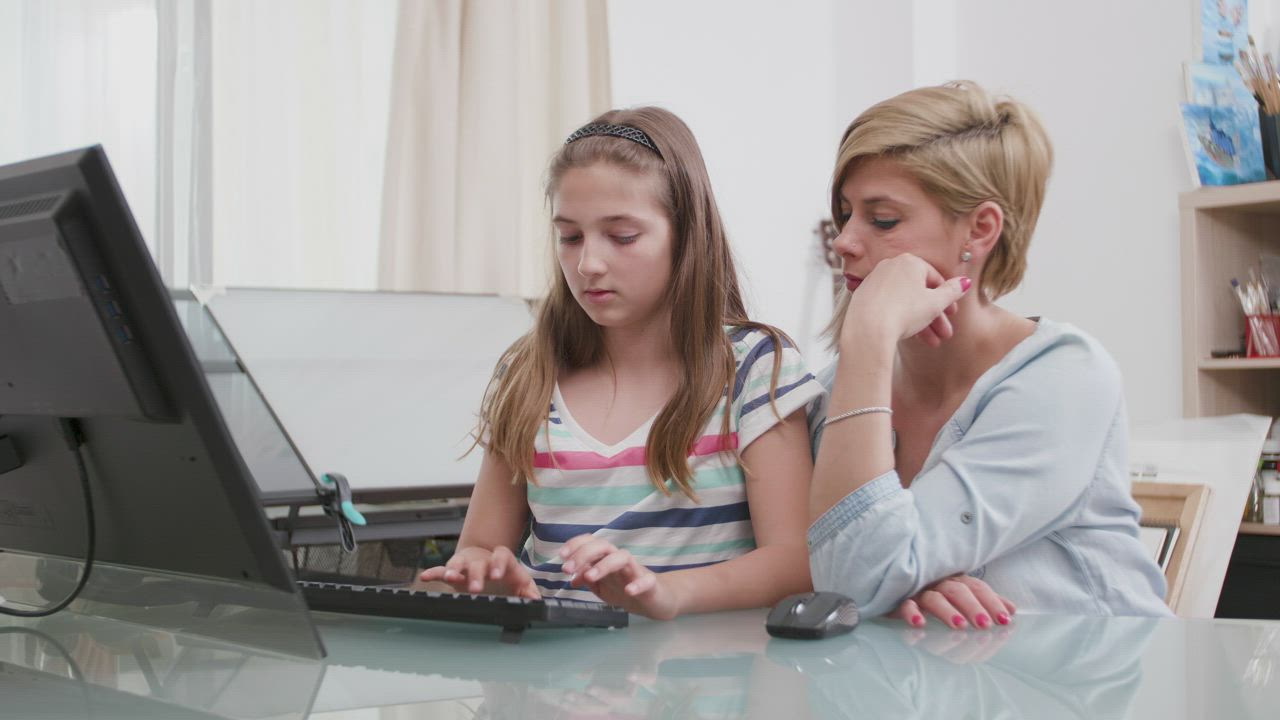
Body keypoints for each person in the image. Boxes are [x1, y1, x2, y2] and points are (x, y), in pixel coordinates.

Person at [420, 107, 823, 620]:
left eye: (622, 236)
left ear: (687, 235)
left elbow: (795, 563)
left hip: (706, 692)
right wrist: (482, 574)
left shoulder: (757, 368)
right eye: (570, 237)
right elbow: (477, 546)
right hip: (549, 693)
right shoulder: (529, 374)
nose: (588, 264)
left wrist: (664, 592)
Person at [806, 81, 1171, 627]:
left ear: (980, 229)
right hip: (942, 683)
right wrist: (907, 580)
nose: (845, 242)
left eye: (882, 219)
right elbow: (837, 577)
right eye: (845, 213)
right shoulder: (841, 385)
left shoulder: (1065, 378)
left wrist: (869, 339)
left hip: (1091, 688)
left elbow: (859, 577)